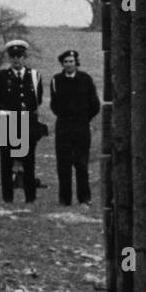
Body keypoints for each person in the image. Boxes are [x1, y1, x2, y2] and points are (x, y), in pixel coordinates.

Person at [0, 39, 44, 205]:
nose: (16, 60)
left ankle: (30, 197)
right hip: (8, 123)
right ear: (9, 58)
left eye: (19, 56)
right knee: (6, 162)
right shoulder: (2, 76)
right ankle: (8, 197)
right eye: (12, 56)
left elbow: (38, 100)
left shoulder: (34, 76)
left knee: (28, 161)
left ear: (24, 57)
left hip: (27, 123)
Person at [50, 49, 101, 206]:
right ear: (62, 64)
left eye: (71, 61)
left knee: (81, 163)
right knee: (63, 164)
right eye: (66, 62)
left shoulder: (85, 79)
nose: (69, 64)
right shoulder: (56, 80)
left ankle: (84, 198)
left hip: (81, 127)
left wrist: (85, 119)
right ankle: (64, 199)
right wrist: (65, 116)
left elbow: (95, 104)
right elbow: (54, 104)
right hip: (63, 126)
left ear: (76, 62)